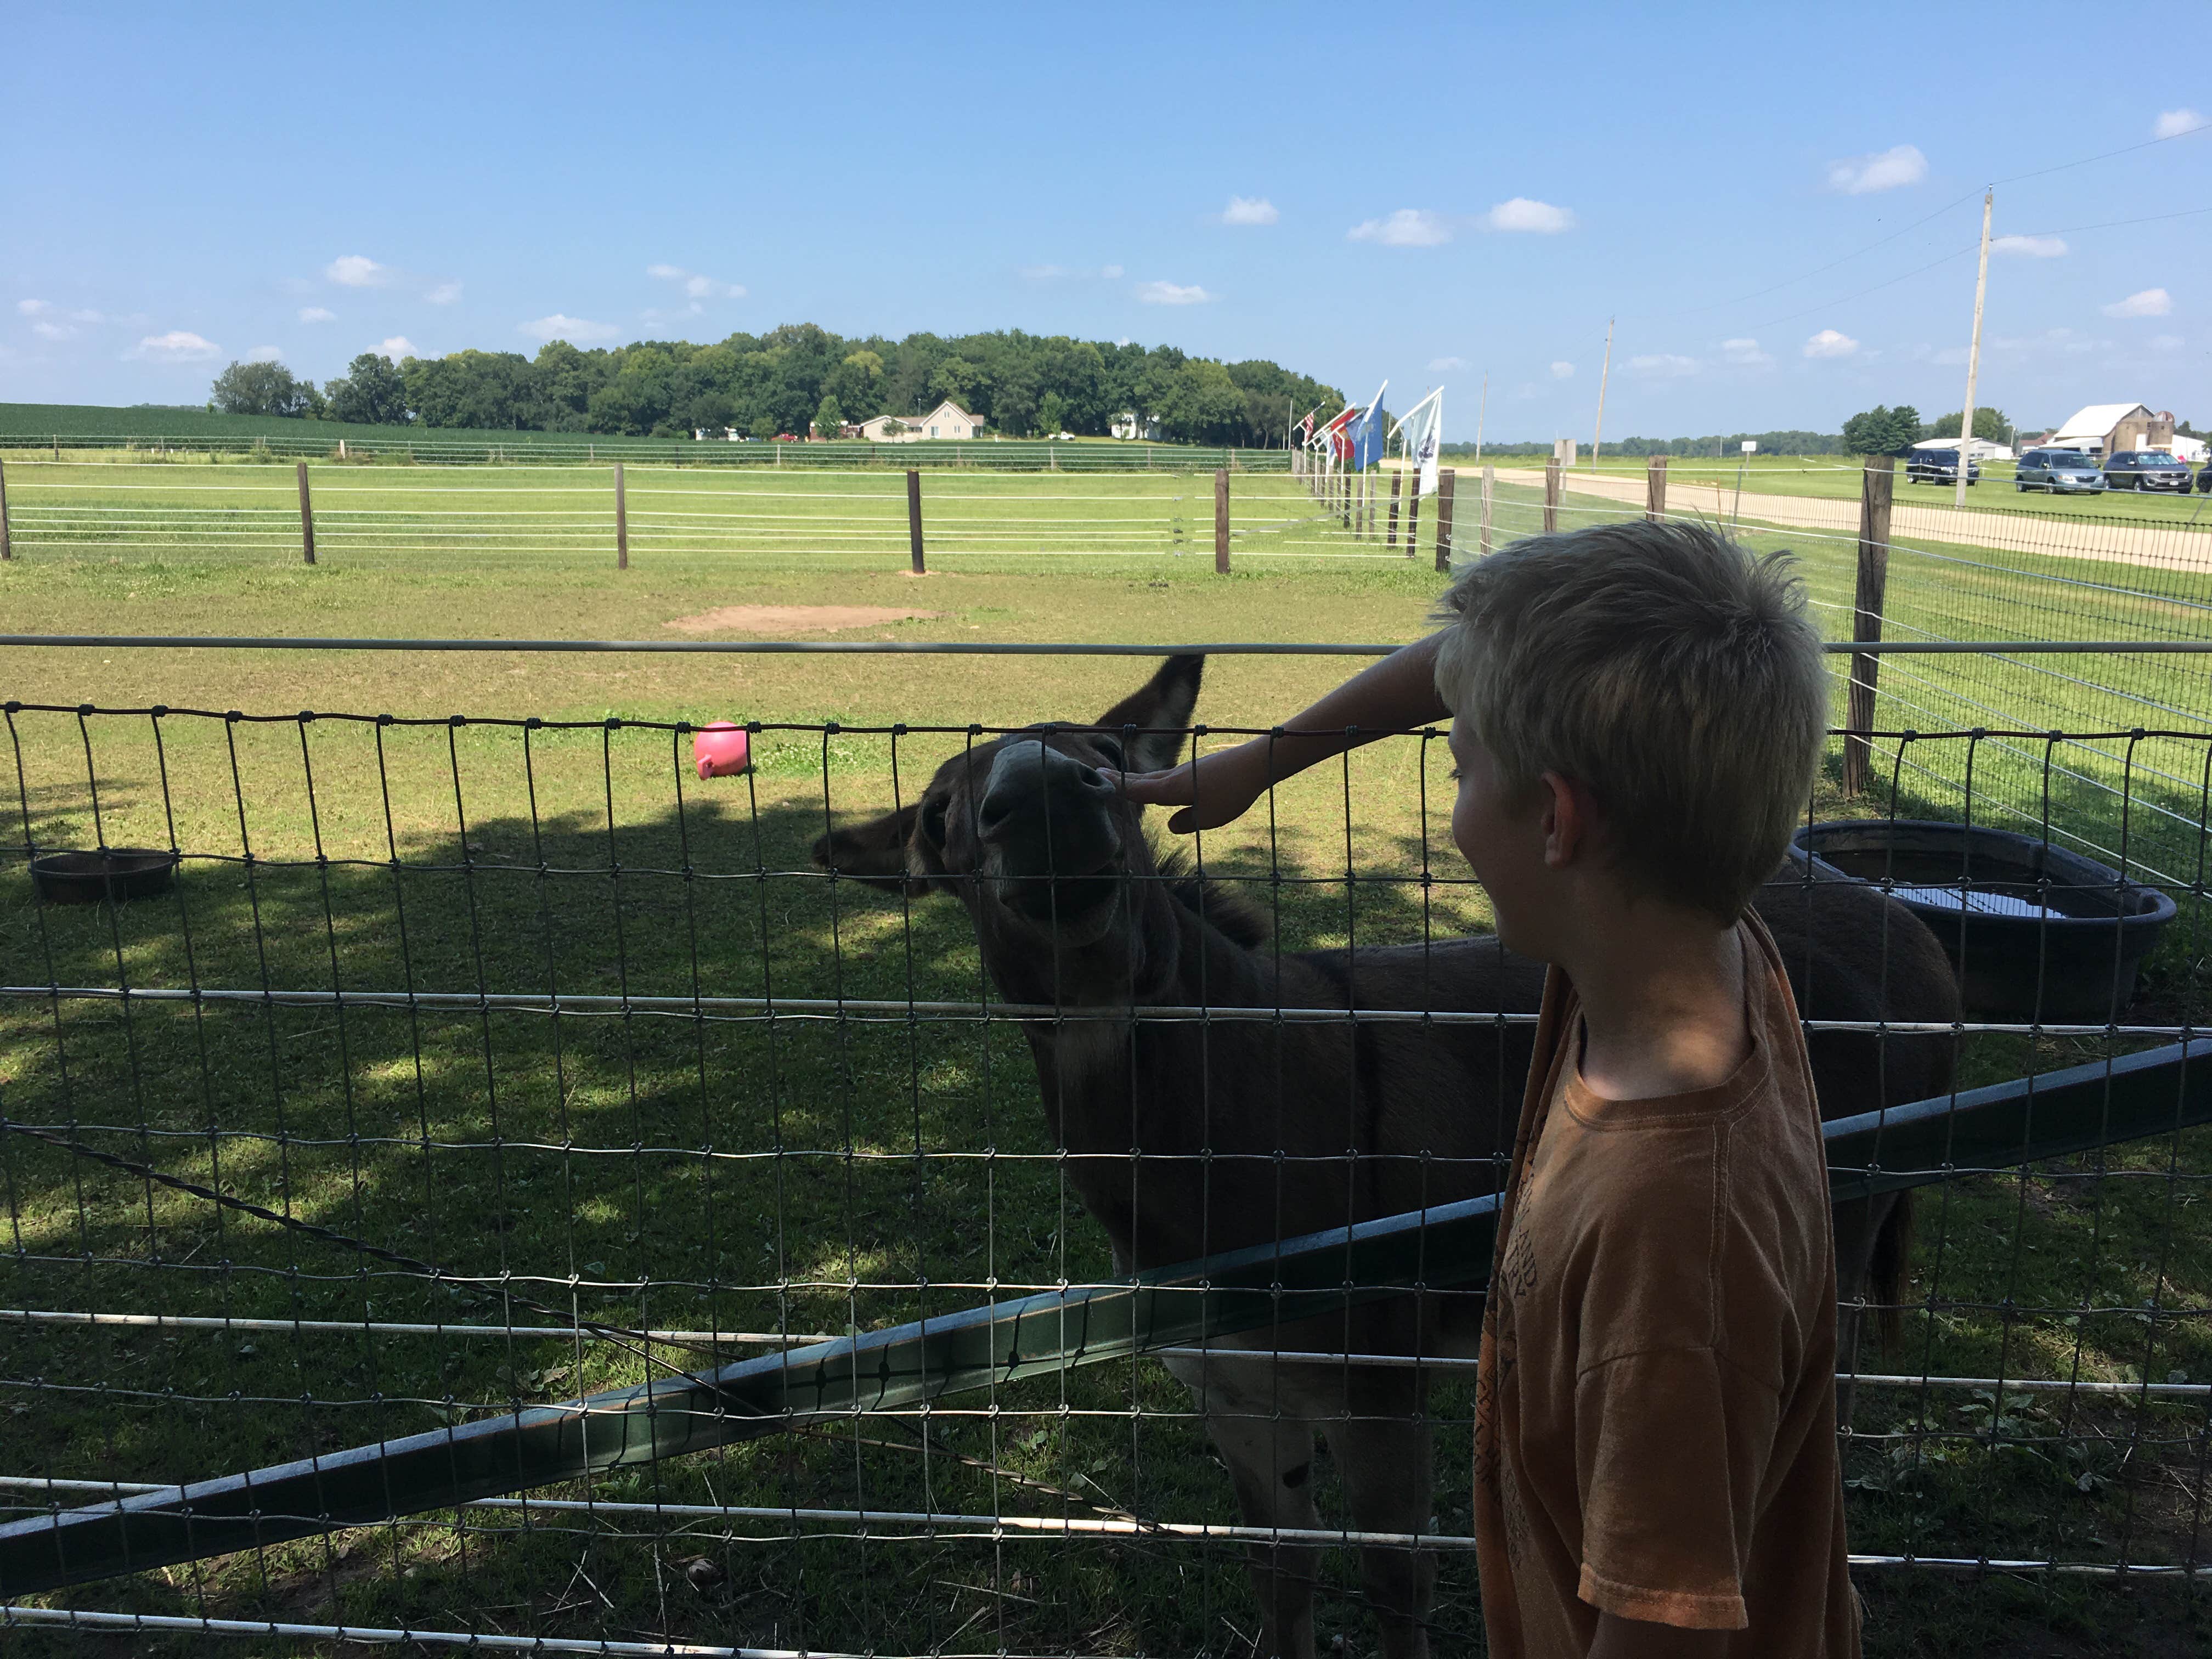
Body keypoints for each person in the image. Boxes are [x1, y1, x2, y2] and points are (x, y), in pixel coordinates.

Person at [1108, 520, 1858, 1657]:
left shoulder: (1670, 1226)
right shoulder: (1686, 953)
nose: (1453, 805)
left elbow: (1668, 1630)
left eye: (1461, 771)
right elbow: (1458, 663)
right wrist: (1265, 762)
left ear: (1558, 823)